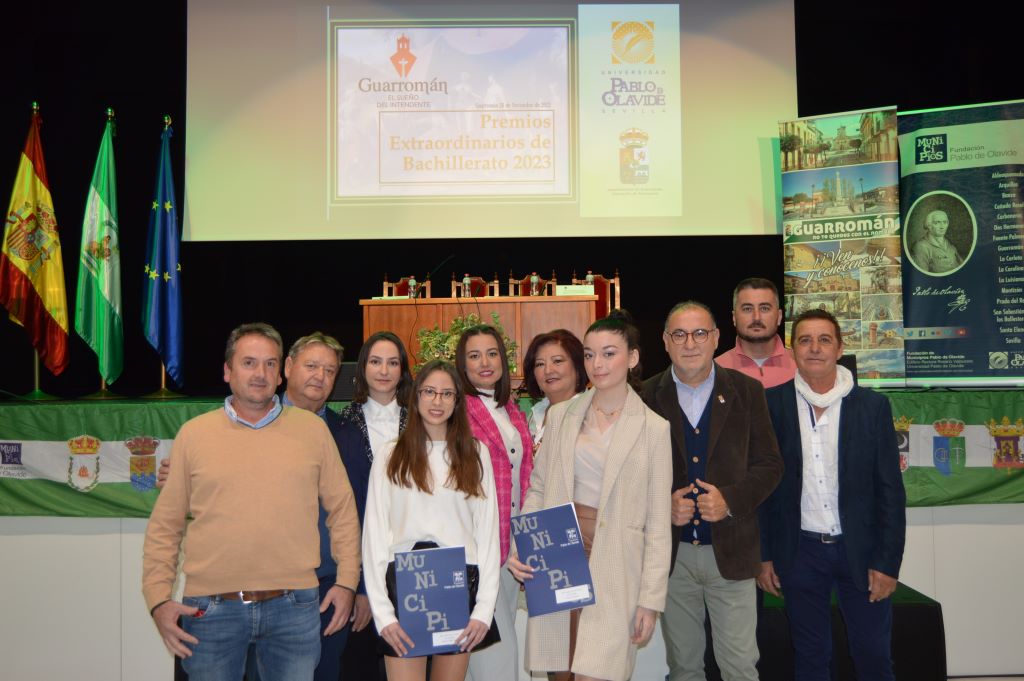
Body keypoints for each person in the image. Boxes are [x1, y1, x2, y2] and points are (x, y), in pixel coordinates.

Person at [143, 323, 361, 680]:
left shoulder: (312, 431)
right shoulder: (194, 435)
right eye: (249, 363)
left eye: (269, 364)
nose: (260, 373)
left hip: (295, 609)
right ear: (228, 371)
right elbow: (165, 525)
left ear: (280, 373)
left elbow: (343, 511)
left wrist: (348, 581)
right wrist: (158, 598)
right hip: (210, 611)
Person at [510, 310, 672, 681]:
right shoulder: (563, 414)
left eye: (609, 353)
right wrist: (523, 542)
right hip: (557, 552)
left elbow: (659, 525)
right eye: (589, 354)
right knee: (560, 671)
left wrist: (650, 600)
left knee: (597, 672)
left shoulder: (654, 429)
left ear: (632, 358)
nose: (597, 364)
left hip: (615, 559)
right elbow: (537, 486)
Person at [758, 309, 906, 681]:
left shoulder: (872, 407)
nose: (814, 348)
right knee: (810, 658)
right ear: (792, 349)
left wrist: (888, 562)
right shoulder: (770, 405)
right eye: (805, 340)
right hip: (800, 551)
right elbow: (763, 490)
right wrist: (764, 556)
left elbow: (890, 490)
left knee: (872, 654)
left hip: (861, 549)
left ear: (839, 348)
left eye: (824, 340)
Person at [641, 301, 782, 681]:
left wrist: (730, 500)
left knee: (739, 666)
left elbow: (771, 465)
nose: (690, 343)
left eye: (700, 333)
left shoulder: (747, 392)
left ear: (716, 338)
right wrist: (662, 504)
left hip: (732, 553)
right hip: (673, 557)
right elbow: (629, 477)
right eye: (680, 334)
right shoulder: (643, 396)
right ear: (666, 342)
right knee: (684, 668)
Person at [362, 360, 501, 681]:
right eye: (429, 392)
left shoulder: (475, 453)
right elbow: (374, 539)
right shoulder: (389, 454)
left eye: (447, 394)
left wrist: (483, 610)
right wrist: (383, 616)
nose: (437, 401)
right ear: (416, 397)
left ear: (457, 401)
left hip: (459, 587)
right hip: (404, 588)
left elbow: (487, 537)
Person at [455, 325, 534, 681]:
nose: (485, 363)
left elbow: (525, 479)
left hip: (513, 544)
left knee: (484, 663)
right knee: (498, 664)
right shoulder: (457, 411)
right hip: (479, 552)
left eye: (492, 353)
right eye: (474, 355)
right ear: (462, 365)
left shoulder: (512, 410)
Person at [336, 331, 414, 680]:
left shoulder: (423, 423)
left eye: (393, 362)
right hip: (361, 562)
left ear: (403, 371)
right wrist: (357, 584)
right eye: (376, 361)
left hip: (413, 561)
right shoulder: (339, 426)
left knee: (413, 661)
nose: (384, 370)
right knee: (361, 665)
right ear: (362, 368)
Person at [715, 277, 797, 389]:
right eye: (747, 309)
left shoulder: (801, 366)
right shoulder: (715, 371)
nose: (756, 317)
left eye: (764, 308)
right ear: (734, 317)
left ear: (779, 316)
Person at [522, 328, 588, 448]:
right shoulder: (536, 413)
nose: (548, 370)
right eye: (540, 364)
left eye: (557, 361)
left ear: (578, 366)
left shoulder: (589, 414)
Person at [911, 209, 963, 273]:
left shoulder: (950, 246)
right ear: (929, 225)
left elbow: (962, 267)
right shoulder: (921, 246)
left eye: (945, 222)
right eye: (937, 223)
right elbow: (922, 275)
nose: (942, 226)